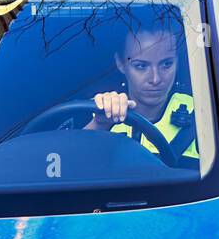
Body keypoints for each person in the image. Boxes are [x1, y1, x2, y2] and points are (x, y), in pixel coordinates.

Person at [85, 12, 198, 160]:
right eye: (141, 66)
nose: (155, 79)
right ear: (120, 63)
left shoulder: (202, 114)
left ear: (177, 61)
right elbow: (70, 166)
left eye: (166, 64)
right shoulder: (97, 110)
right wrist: (100, 124)